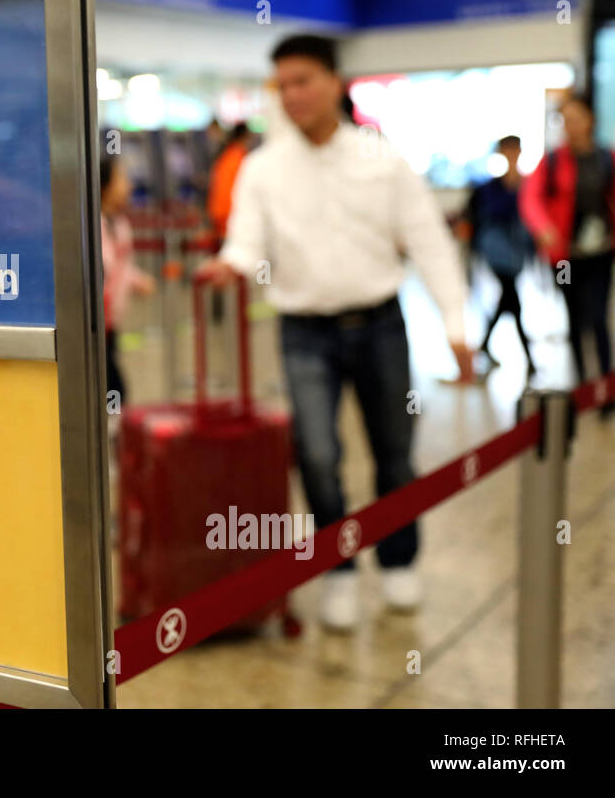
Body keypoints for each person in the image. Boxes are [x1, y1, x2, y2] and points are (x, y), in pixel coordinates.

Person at [196, 34, 473, 632]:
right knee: (318, 456)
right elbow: (246, 242)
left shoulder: (382, 158)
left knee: (393, 450)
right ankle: (337, 567)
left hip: (380, 325)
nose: (293, 95)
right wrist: (230, 266)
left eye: (303, 81)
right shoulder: (263, 168)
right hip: (304, 333)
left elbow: (428, 239)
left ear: (333, 82)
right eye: (283, 85)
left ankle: (399, 558)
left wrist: (455, 323)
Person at [519, 93, 615, 414]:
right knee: (573, 317)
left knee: (598, 317)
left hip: (600, 252)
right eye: (566, 120)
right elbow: (530, 199)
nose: (570, 126)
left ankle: (606, 388)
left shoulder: (606, 158)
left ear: (590, 120)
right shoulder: (552, 161)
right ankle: (583, 385)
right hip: (563, 258)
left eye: (576, 119)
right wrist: (543, 228)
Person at [464, 136, 535, 374]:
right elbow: (493, 212)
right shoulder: (490, 187)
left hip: (518, 251)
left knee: (508, 301)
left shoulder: (528, 184)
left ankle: (484, 345)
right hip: (496, 251)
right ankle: (531, 361)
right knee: (514, 301)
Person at [101, 153, 155, 407]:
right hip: (97, 324)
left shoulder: (120, 224)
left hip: (111, 321)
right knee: (114, 387)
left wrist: (137, 280)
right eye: (121, 178)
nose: (129, 185)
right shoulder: (91, 226)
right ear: (104, 185)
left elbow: (121, 267)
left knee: (111, 384)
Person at [206, 122, 257, 241]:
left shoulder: (227, 153)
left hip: (219, 213)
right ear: (245, 136)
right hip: (230, 215)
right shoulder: (239, 157)